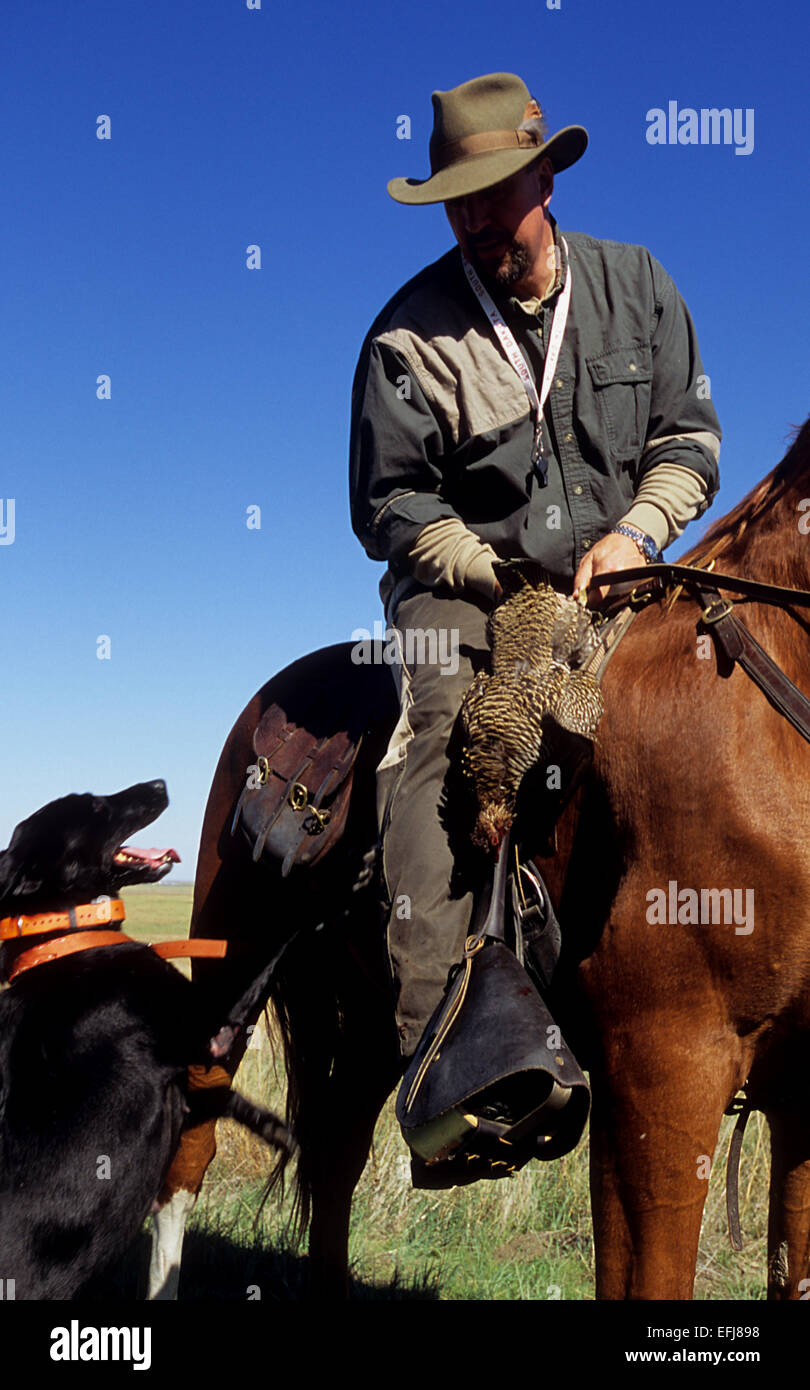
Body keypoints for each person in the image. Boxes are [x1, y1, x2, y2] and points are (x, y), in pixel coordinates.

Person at [349, 72, 721, 1063]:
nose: (474, 219)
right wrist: (499, 577)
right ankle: (442, 1056)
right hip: (469, 592)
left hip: (621, 575)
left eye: (496, 193)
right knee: (441, 742)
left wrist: (637, 533)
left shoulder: (639, 286)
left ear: (546, 181)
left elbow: (689, 443)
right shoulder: (403, 335)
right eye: (457, 202)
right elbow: (390, 506)